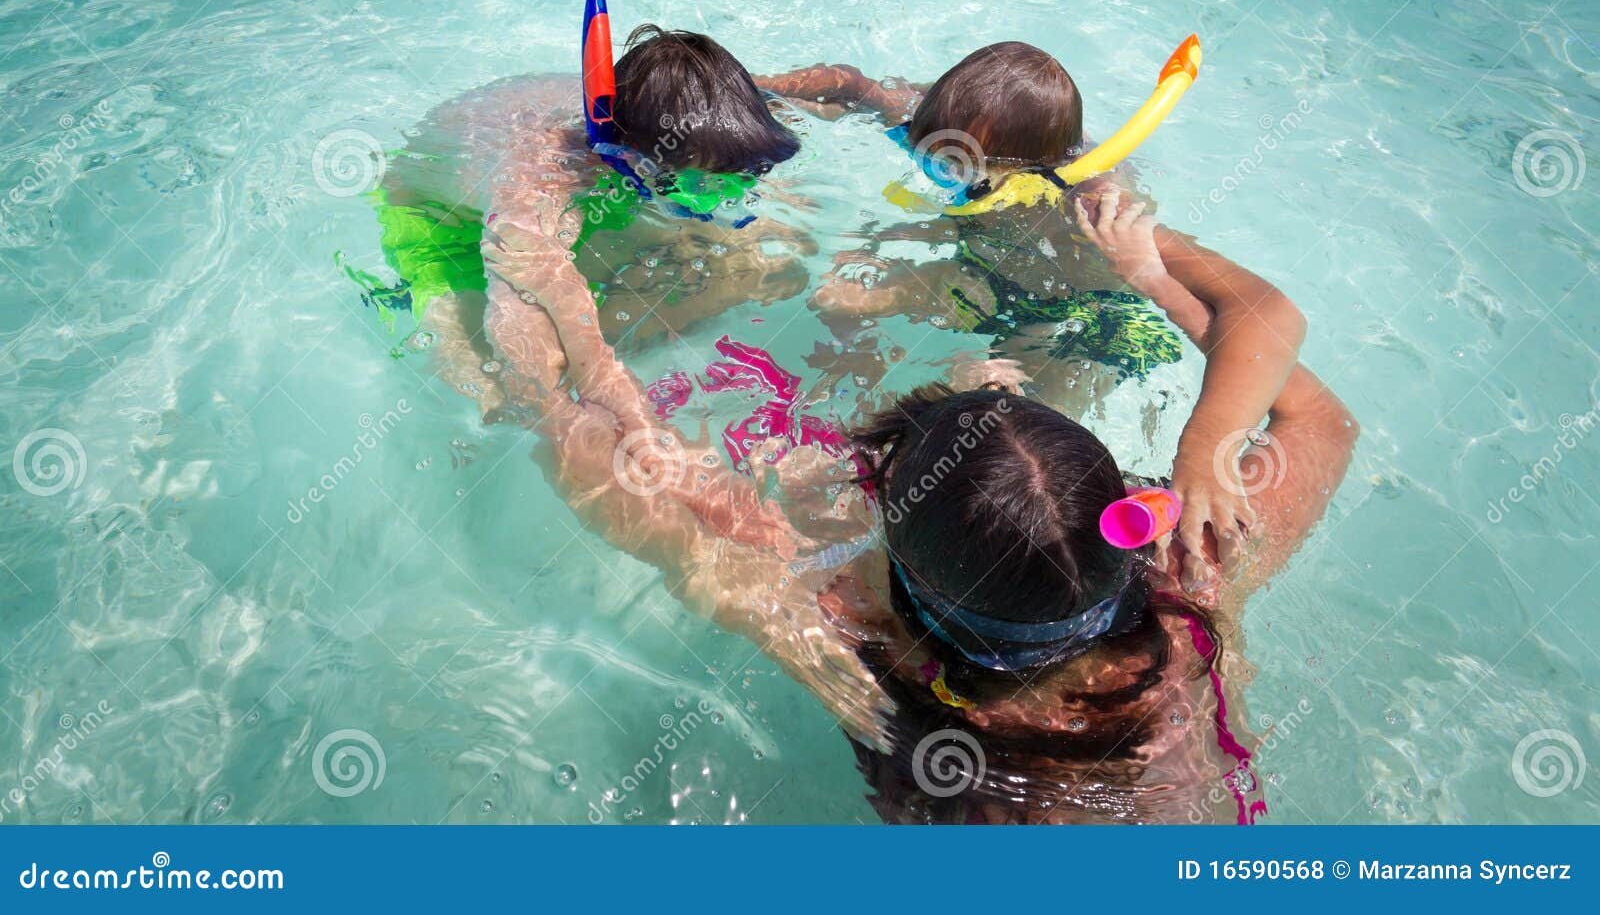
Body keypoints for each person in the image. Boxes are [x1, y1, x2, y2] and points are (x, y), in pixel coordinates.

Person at [473, 179, 1358, 824]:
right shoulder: (1200, 572)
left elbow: (591, 452)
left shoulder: (834, 631)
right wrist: (1150, 270)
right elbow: (1321, 417)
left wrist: (565, 309)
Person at [345, 24, 815, 411]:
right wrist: (597, 396)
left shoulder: (710, 113)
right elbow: (520, 323)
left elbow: (829, 87)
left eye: (747, 174)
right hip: (441, 218)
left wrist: (856, 97)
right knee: (503, 393)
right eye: (699, 183)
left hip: (587, 188)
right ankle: (413, 293)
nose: (729, 198)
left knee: (764, 252)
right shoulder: (537, 181)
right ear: (629, 156)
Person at [756, 45, 1184, 415]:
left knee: (1003, 408)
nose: (940, 173)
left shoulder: (1091, 201)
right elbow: (849, 84)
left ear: (1025, 166)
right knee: (837, 299)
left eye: (954, 167)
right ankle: (861, 376)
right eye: (932, 155)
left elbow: (1181, 274)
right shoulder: (943, 125)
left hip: (1075, 317)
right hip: (982, 278)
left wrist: (1114, 227)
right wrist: (755, 93)